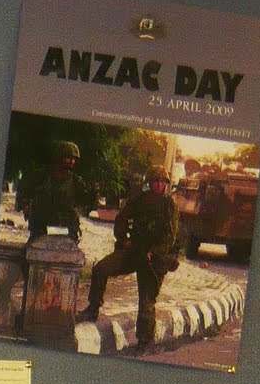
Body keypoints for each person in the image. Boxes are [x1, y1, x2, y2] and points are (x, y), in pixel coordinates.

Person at [80, 166, 181, 351]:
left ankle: (144, 341)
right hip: (134, 250)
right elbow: (121, 219)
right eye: (155, 181)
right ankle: (93, 308)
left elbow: (170, 236)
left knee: (146, 300)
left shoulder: (169, 205)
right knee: (101, 268)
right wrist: (124, 239)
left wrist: (154, 251)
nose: (158, 185)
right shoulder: (138, 200)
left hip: (154, 258)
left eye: (162, 182)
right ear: (149, 183)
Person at [17, 140, 92, 242]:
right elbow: (23, 190)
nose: (72, 161)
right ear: (59, 157)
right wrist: (25, 207)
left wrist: (94, 194)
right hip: (41, 227)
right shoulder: (41, 176)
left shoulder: (76, 181)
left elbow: (85, 202)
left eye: (74, 159)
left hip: (66, 229)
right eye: (68, 158)